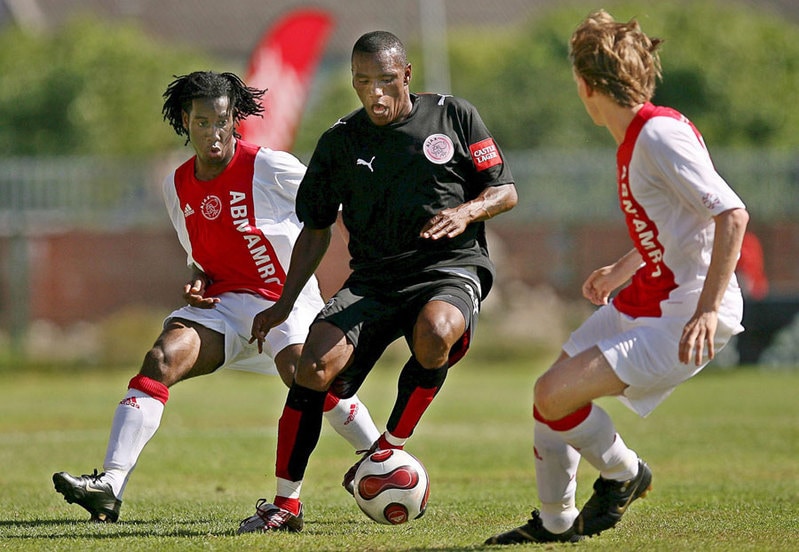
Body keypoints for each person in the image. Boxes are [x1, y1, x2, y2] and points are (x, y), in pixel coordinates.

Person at [52, 71, 380, 523]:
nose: (214, 132)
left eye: (222, 121)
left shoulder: (266, 166)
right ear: (186, 121)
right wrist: (198, 278)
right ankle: (110, 485)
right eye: (203, 122)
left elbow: (330, 204)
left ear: (234, 120)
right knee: (161, 359)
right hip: (225, 307)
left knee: (301, 373)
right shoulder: (177, 185)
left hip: (283, 298)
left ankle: (378, 457)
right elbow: (198, 256)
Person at [485, 10, 749, 544]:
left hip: (685, 315)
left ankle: (624, 472)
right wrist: (623, 268)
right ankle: (556, 525)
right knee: (549, 397)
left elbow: (731, 215)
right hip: (648, 299)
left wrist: (705, 311)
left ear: (585, 86)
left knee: (553, 394)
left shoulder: (656, 136)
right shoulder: (641, 133)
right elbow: (677, 225)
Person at [237, 31, 518, 533]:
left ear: (406, 75)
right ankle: (284, 505)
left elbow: (504, 190)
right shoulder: (339, 142)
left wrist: (466, 211)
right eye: (363, 82)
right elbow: (315, 230)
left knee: (435, 332)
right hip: (374, 279)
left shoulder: (453, 116)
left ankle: (389, 447)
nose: (376, 93)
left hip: (449, 267)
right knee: (312, 367)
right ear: (353, 82)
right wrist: (282, 305)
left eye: (386, 80)